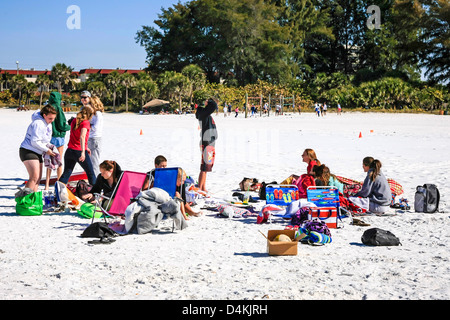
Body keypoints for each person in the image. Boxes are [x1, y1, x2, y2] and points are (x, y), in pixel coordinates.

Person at [19, 106, 57, 192]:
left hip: (38, 152)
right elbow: (35, 141)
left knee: (38, 178)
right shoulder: (38, 123)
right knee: (34, 177)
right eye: (50, 118)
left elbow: (45, 140)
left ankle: (34, 200)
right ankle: (23, 201)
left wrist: (51, 148)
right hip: (28, 150)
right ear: (44, 115)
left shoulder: (48, 124)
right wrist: (47, 150)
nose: (52, 120)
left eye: (54, 118)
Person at [59, 105, 97, 186]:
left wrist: (86, 148)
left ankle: (58, 190)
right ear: (90, 114)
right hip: (79, 151)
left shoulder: (74, 121)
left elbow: (76, 136)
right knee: (90, 173)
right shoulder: (85, 122)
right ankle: (95, 193)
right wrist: (83, 152)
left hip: (69, 151)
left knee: (67, 173)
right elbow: (82, 137)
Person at [45, 92, 71, 190]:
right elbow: (61, 124)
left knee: (49, 161)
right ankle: (59, 183)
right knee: (59, 161)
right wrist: (69, 126)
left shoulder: (48, 108)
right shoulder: (58, 108)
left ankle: (47, 185)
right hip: (59, 137)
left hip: (49, 137)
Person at [196, 98, 218, 192]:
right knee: (204, 167)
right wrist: (209, 101)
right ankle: (200, 187)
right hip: (207, 142)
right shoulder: (203, 115)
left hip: (210, 143)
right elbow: (213, 106)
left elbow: (212, 107)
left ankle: (203, 187)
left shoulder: (205, 115)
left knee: (207, 167)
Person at [88, 95, 104, 177]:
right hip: (90, 138)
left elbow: (95, 128)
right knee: (90, 161)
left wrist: (88, 126)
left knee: (94, 162)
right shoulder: (93, 114)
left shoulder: (98, 114)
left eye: (90, 103)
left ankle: (95, 180)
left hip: (95, 139)